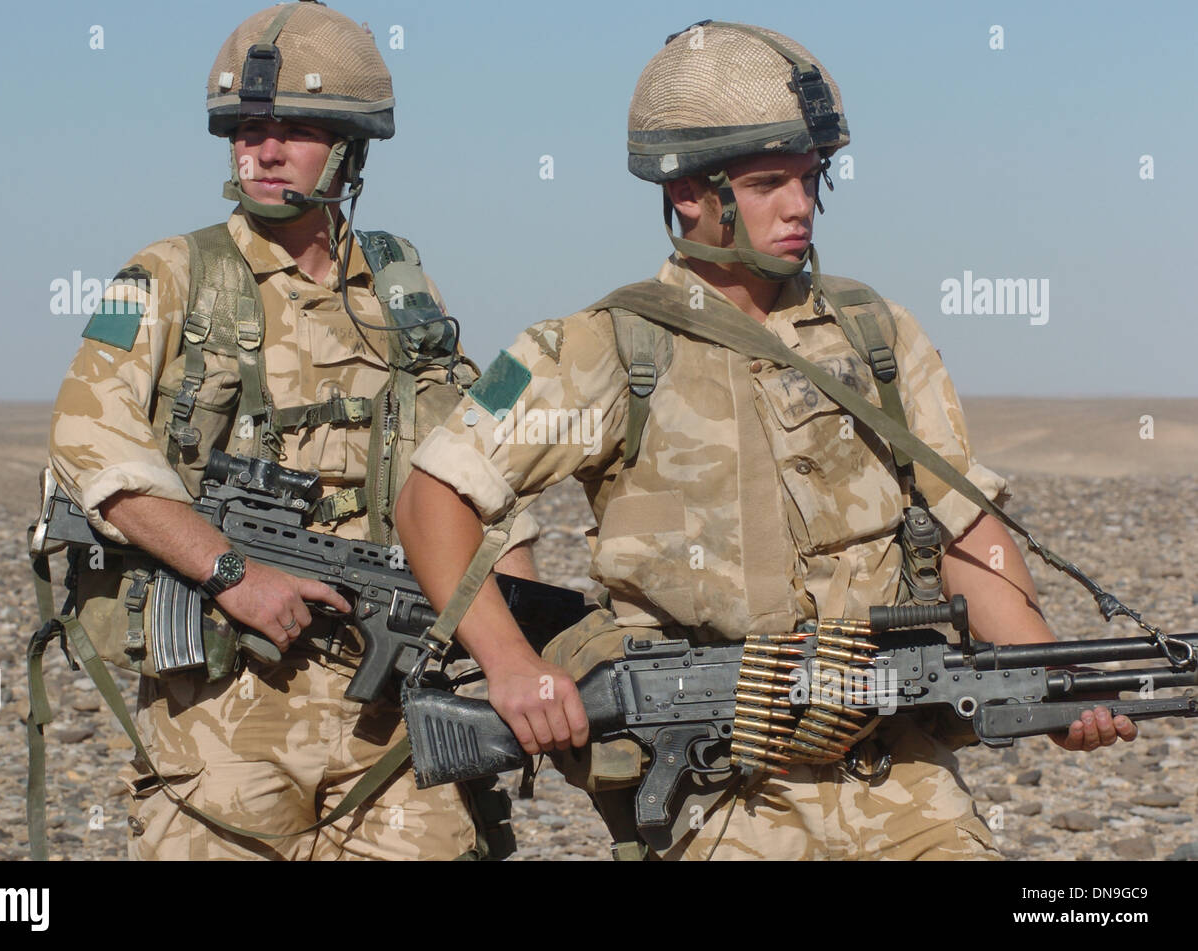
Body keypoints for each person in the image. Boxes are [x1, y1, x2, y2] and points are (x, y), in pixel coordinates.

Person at [394, 20, 1135, 860]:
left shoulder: (876, 336)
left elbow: (965, 531)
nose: (800, 205)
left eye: (811, 177)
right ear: (688, 194)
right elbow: (433, 495)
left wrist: (1048, 681)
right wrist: (509, 664)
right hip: (720, 791)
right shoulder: (595, 347)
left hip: (892, 769)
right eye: (768, 181)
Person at [46, 0, 535, 860]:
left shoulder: (401, 286)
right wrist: (232, 572)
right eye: (245, 128)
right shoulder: (168, 274)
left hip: (390, 707)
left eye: (294, 129)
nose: (262, 150)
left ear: (351, 147)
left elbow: (477, 463)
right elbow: (89, 442)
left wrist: (520, 640)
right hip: (224, 708)